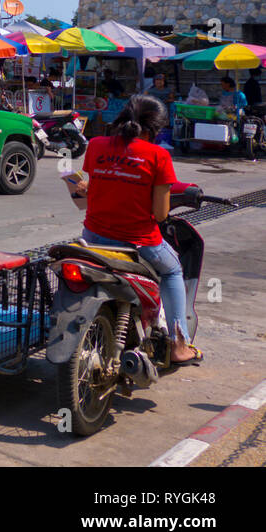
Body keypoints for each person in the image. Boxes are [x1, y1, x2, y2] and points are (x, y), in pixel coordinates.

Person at [64, 95, 200, 364]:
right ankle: (178, 343)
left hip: (94, 237)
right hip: (140, 243)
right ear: (156, 128)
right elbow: (161, 214)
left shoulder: (96, 145)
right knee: (173, 271)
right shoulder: (159, 156)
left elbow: (96, 187)